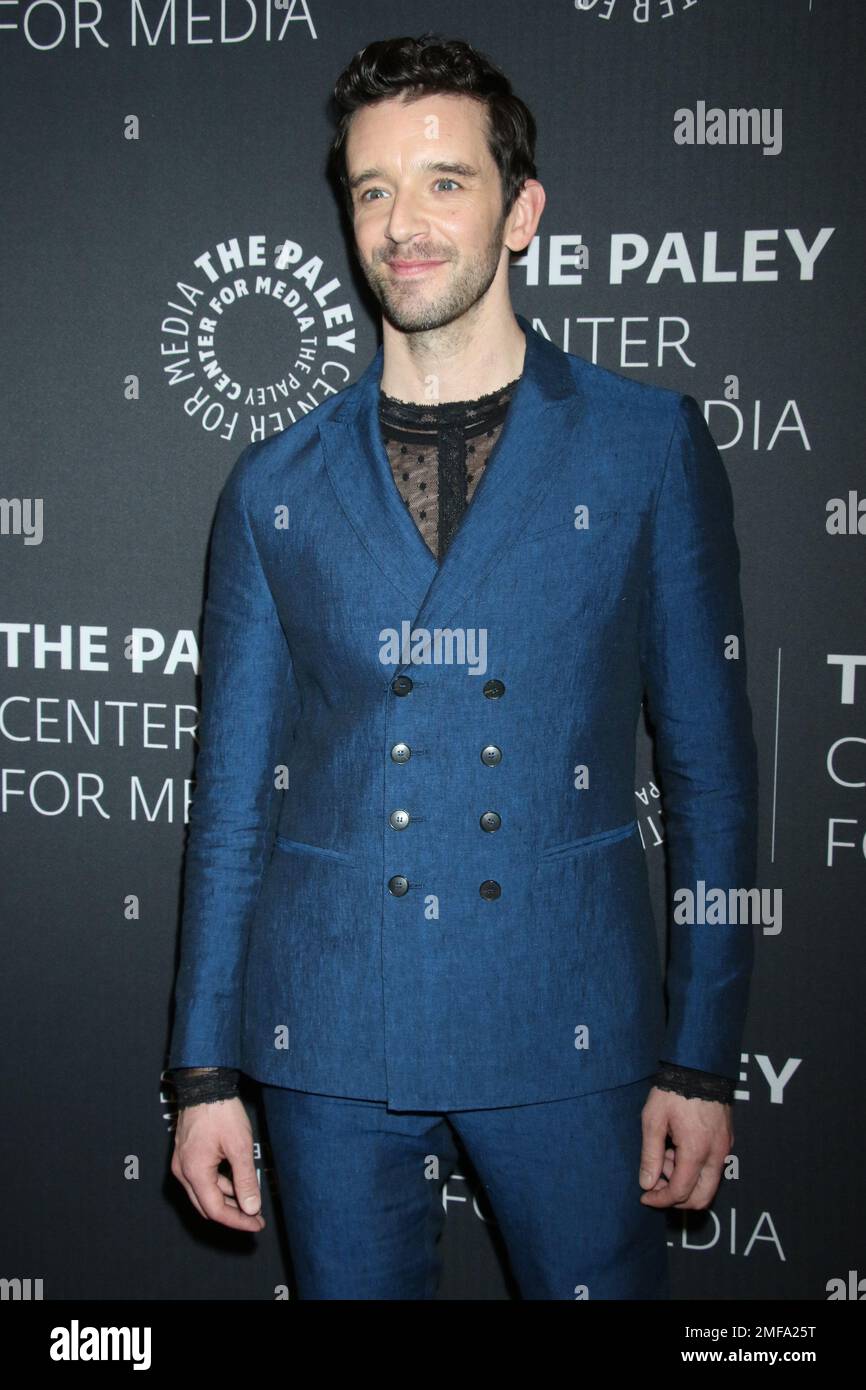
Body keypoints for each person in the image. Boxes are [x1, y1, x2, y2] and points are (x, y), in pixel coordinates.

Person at [165, 33, 759, 1300]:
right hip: (326, 1030)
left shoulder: (643, 448)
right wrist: (206, 1071)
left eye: (444, 181)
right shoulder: (272, 486)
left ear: (520, 208)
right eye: (373, 188)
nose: (403, 221)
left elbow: (709, 775)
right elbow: (227, 806)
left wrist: (702, 1058)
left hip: (567, 1021)